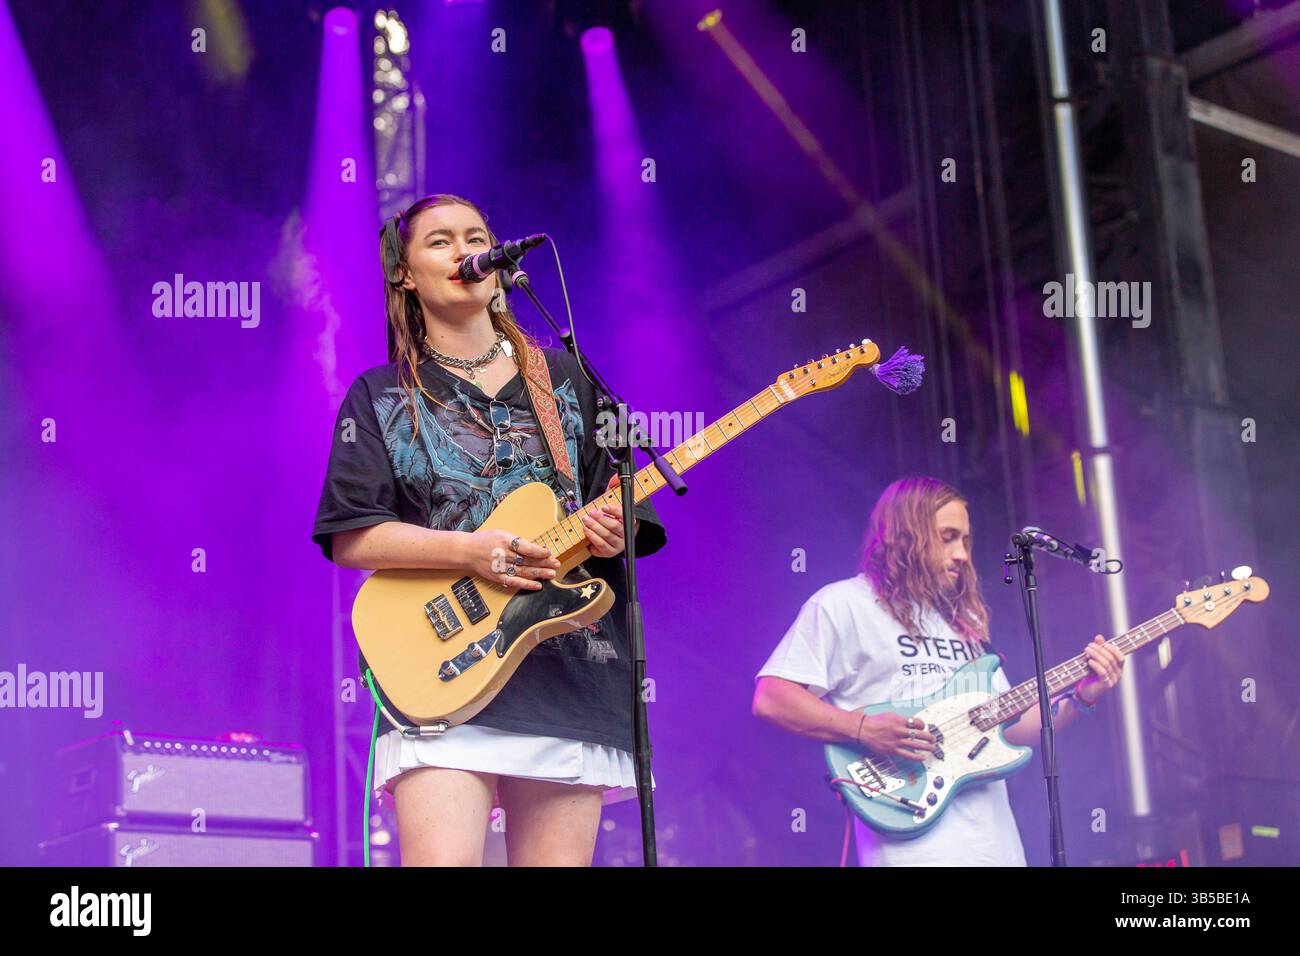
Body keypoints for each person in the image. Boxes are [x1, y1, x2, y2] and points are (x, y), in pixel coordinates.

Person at [312, 194, 666, 866]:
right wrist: (471, 551)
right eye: (440, 241)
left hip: (567, 671)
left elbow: (624, 503)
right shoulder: (380, 394)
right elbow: (351, 535)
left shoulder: (569, 379)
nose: (466, 250)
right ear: (404, 274)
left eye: (476, 237)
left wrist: (614, 527)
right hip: (440, 667)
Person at [752, 475, 1123, 866]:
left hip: (996, 850)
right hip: (912, 846)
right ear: (905, 536)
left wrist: (1081, 696)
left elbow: (1013, 728)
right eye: (948, 538)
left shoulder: (964, 621)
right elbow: (771, 698)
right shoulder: (843, 604)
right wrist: (863, 728)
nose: (962, 554)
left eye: (965, 540)